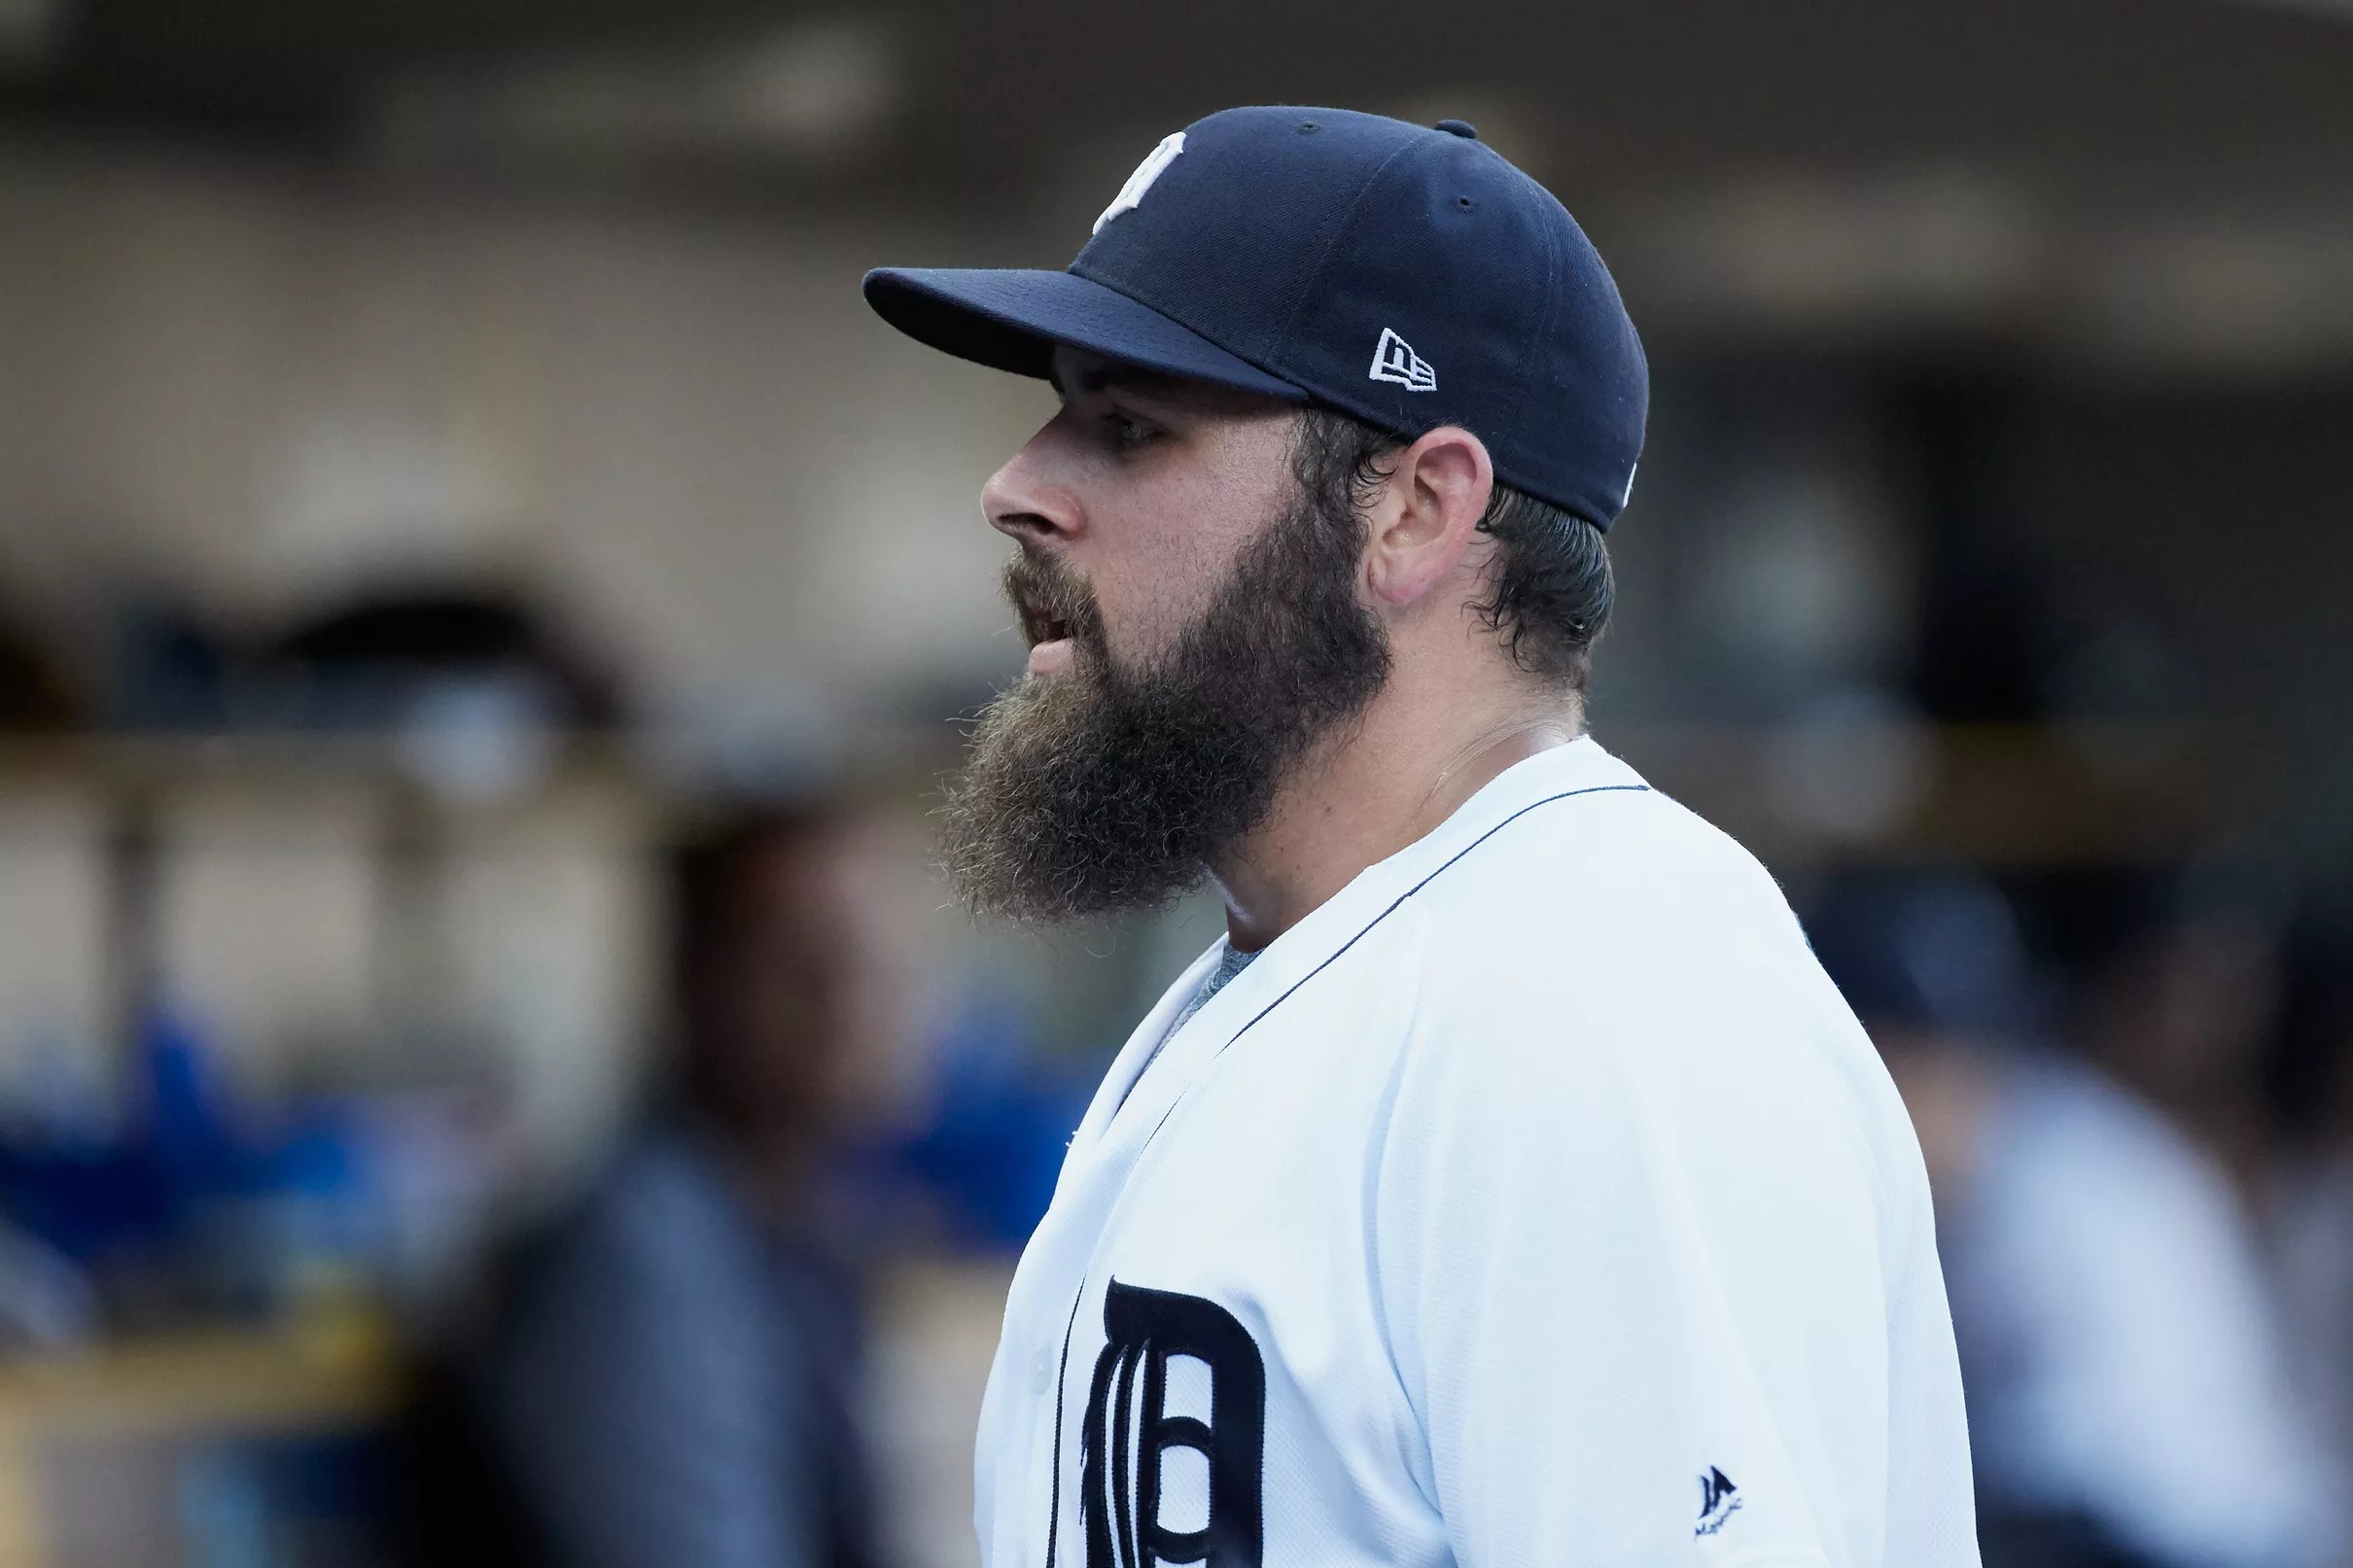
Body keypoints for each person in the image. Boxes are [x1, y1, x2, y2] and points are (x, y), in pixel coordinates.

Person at [862, 106, 1977, 1567]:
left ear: (1414, 509)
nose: (1020, 486)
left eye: (1129, 423)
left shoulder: (1599, 1013)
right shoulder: (1308, 972)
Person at [1810, 871, 2338, 1568]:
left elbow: (2077, 1482)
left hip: (2208, 1535)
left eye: (1928, 1057)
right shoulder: (2036, 1148)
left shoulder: (2051, 1193)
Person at [474, 806, 909, 1568]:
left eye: (862, 958)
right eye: (798, 959)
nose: (842, 999)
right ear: (694, 979)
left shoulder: (799, 1228)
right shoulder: (638, 1262)